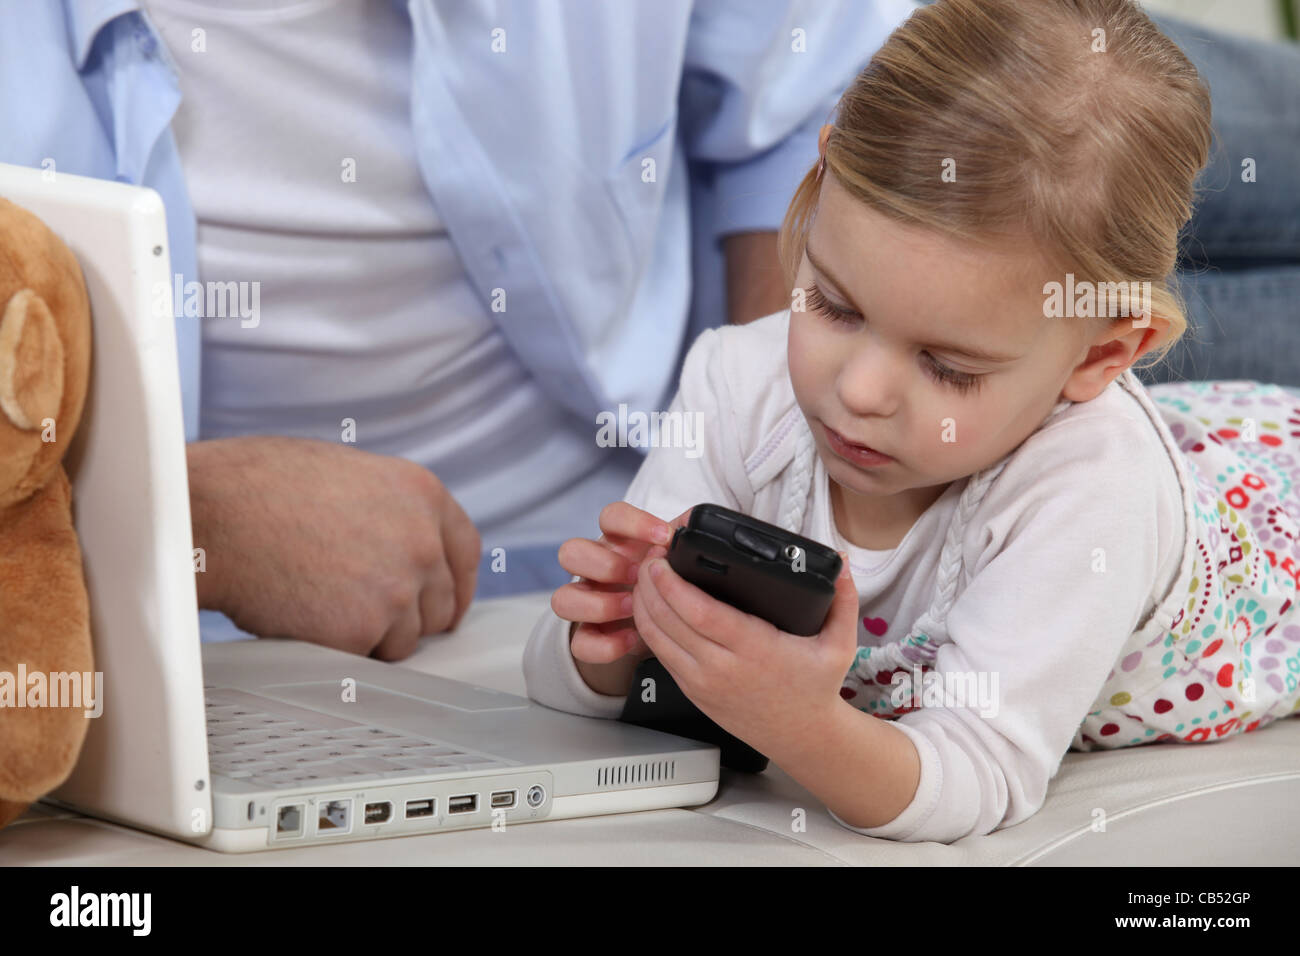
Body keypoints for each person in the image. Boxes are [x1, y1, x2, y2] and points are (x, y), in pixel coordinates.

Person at [523, 0, 1300, 842]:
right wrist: (605, 644)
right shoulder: (738, 381)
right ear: (816, 190)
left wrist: (801, 725)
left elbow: (980, 769)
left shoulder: (1094, 488)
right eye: (832, 304)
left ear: (1096, 358)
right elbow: (555, 676)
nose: (859, 392)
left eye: (947, 367)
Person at [0, 0, 914, 658]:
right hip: (136, 635)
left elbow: (812, 104)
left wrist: (770, 509)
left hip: (635, 580)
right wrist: (180, 516)